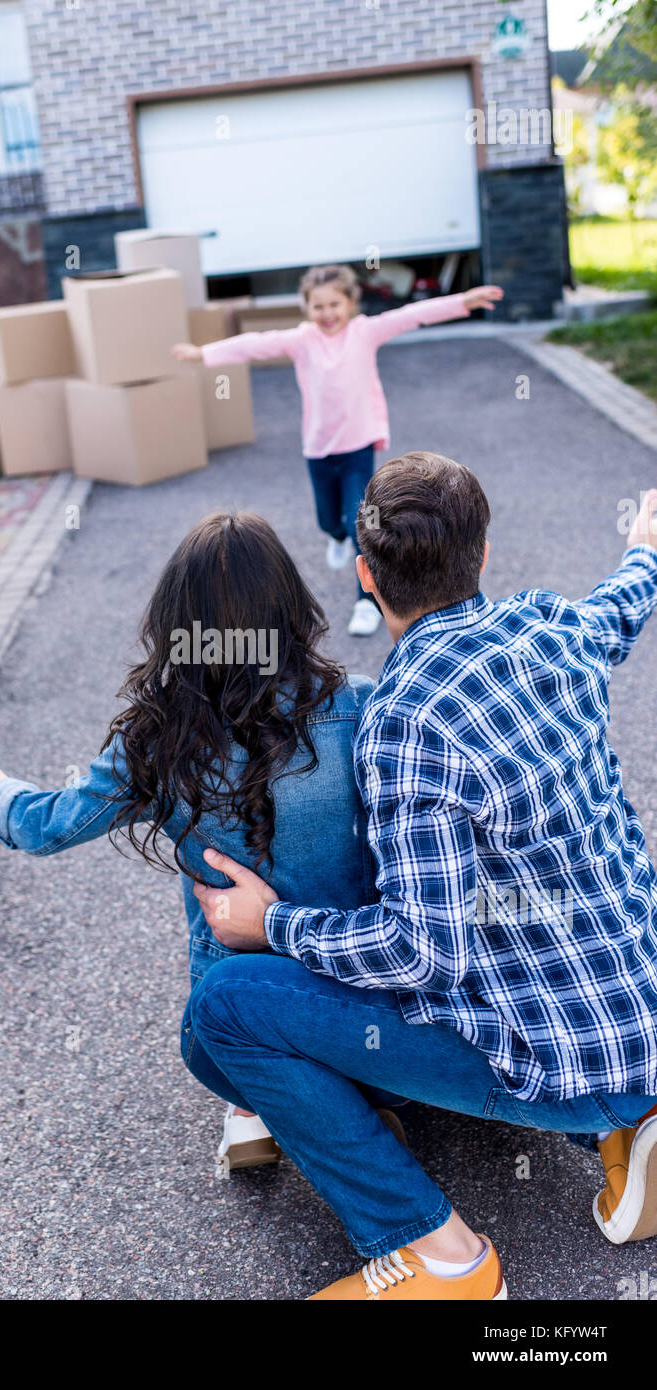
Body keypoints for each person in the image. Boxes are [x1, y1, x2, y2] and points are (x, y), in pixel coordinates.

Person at [190, 455, 657, 1301]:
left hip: (557, 1063)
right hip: (641, 1019)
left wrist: (272, 925)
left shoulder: (404, 719)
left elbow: (420, 953)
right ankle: (638, 1129)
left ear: (365, 578)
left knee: (223, 1010)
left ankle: (440, 1259)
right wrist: (644, 547)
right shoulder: (553, 629)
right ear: (482, 555)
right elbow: (621, 606)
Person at [0, 511, 402, 1175]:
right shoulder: (360, 704)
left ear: (176, 622)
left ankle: (256, 1107)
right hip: (366, 992)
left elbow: (43, 826)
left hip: (234, 1001)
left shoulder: (157, 742)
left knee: (221, 940)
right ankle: (359, 1091)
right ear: (291, 606)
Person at [172, 266, 503, 637]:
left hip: (358, 448)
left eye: (335, 304)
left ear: (350, 302)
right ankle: (337, 536)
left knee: (361, 523)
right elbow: (254, 343)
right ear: (307, 308)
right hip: (318, 449)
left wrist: (464, 301)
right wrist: (203, 353)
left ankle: (367, 602)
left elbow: (412, 315)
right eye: (318, 306)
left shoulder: (365, 332)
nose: (327, 314)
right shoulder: (302, 340)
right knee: (329, 521)